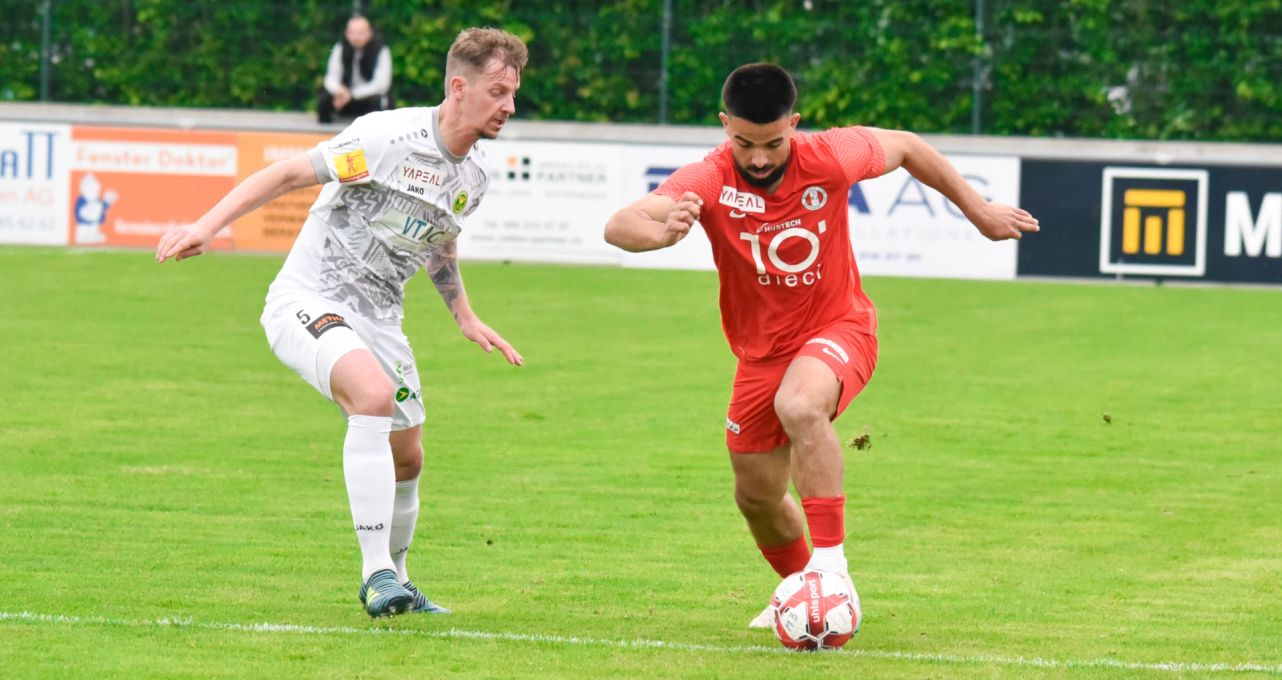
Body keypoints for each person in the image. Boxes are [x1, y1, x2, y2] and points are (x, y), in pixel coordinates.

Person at [603, 63, 1039, 630]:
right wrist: (661, 235)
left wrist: (978, 211)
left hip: (839, 327)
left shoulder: (829, 156)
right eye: (744, 143)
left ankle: (831, 571)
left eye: (772, 143)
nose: (758, 158)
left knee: (801, 405)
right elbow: (620, 224)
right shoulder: (709, 177)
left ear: (795, 125)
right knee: (756, 496)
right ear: (723, 125)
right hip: (760, 354)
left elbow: (906, 146)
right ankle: (802, 591)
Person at [157, 27, 529, 619]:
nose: (510, 106)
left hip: (382, 319)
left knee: (409, 456)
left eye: (513, 93)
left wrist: (463, 313)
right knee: (373, 398)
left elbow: (439, 239)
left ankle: (401, 582)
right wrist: (207, 226)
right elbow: (284, 175)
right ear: (459, 87)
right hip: (309, 298)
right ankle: (375, 572)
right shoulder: (386, 137)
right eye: (498, 92)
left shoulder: (473, 176)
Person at [317, 15, 393, 123]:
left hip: (368, 99)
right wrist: (339, 91)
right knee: (324, 99)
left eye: (361, 32)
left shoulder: (381, 50)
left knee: (376, 101)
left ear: (369, 32)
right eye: (352, 32)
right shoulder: (340, 49)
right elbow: (331, 78)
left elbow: (382, 85)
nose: (357, 37)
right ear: (346, 34)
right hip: (345, 98)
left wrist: (352, 94)